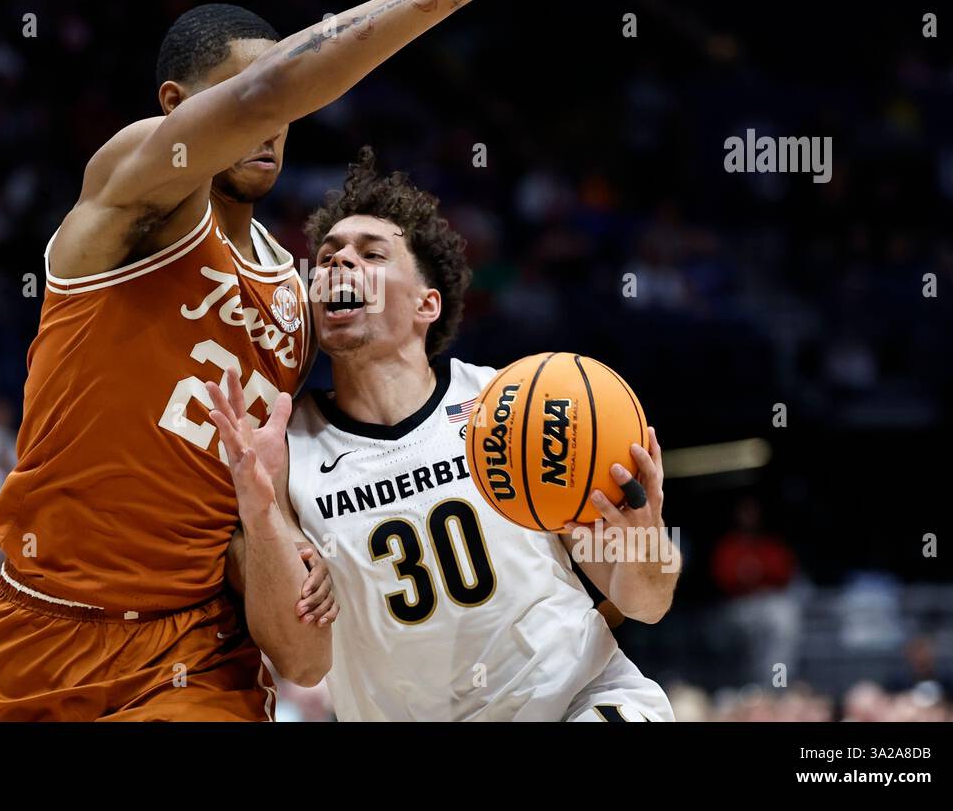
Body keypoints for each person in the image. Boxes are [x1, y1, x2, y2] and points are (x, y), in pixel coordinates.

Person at [0, 0, 607, 721]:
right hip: (38, 623)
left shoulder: (301, 303)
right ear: (178, 107)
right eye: (242, 102)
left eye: (289, 113)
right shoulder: (127, 197)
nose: (271, 126)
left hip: (192, 649)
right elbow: (273, 87)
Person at [208, 149, 679, 720]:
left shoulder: (516, 404)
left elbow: (646, 602)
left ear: (426, 303)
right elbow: (301, 664)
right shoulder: (282, 450)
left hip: (576, 699)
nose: (337, 264)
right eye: (326, 256)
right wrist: (262, 518)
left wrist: (645, 539)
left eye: (371, 254)